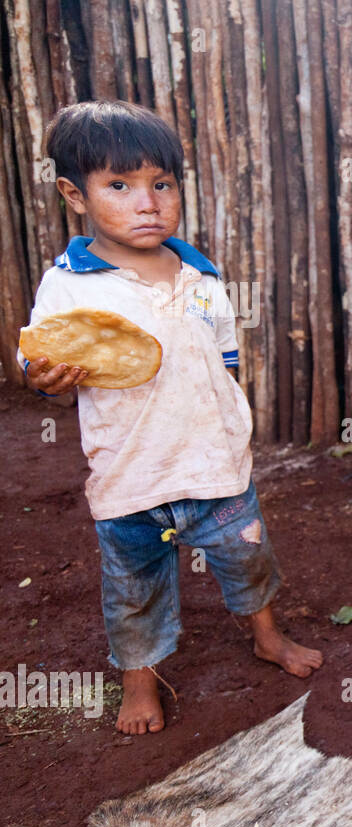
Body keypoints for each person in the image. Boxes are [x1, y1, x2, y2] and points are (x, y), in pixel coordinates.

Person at [17, 100, 322, 736]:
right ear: (75, 194)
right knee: (134, 591)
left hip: (216, 466)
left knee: (248, 560)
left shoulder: (202, 277)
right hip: (131, 477)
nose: (148, 202)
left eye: (162, 183)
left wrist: (225, 425)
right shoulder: (69, 287)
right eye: (120, 186)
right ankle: (141, 679)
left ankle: (266, 634)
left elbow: (224, 361)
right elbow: (43, 364)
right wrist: (42, 381)